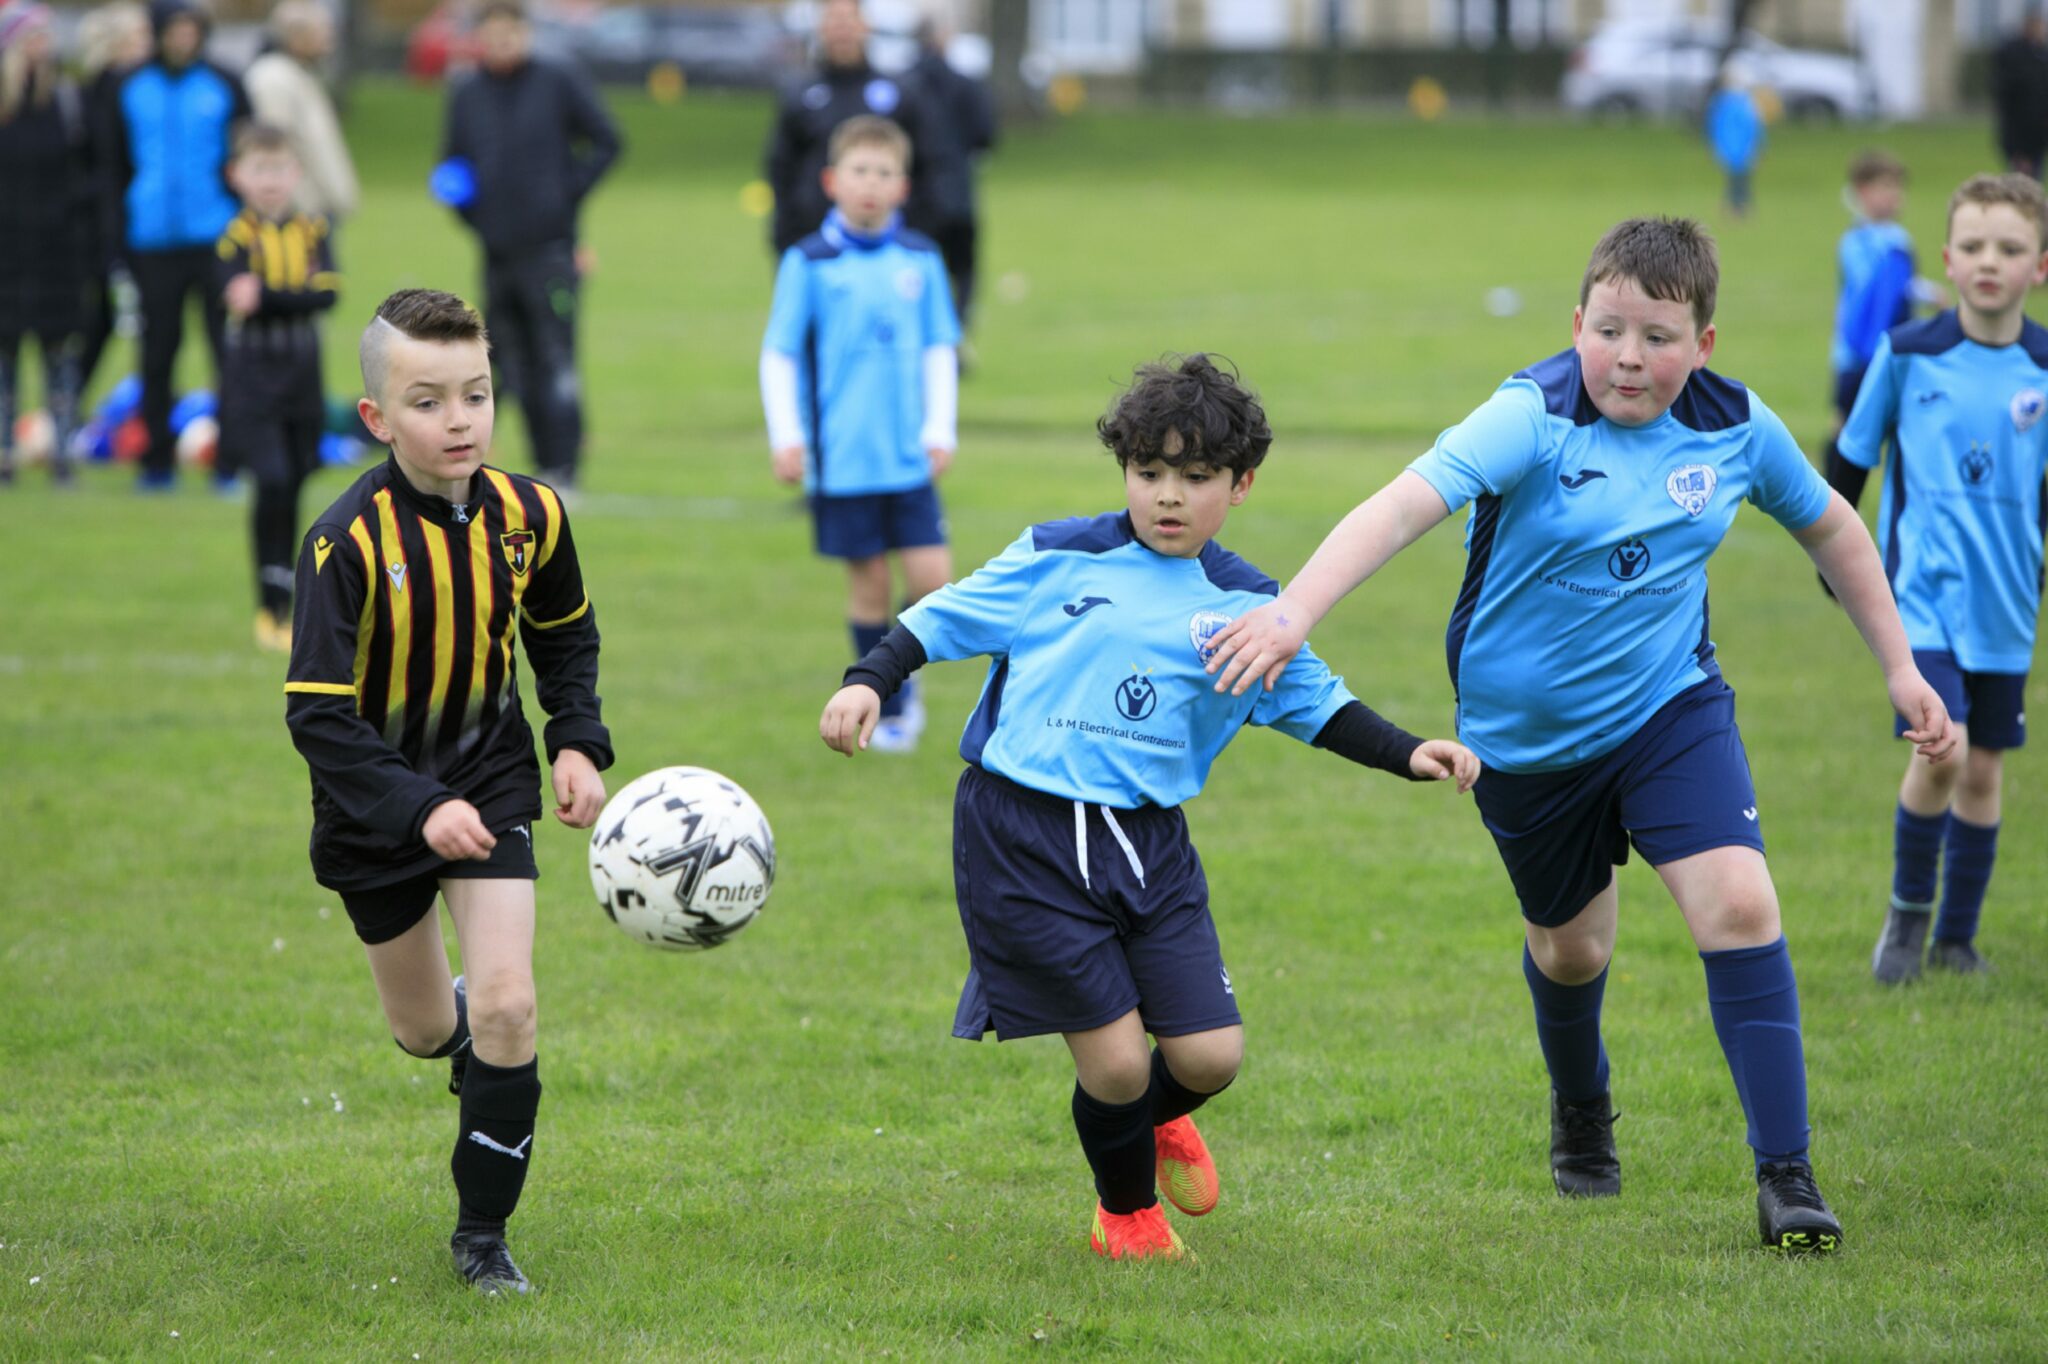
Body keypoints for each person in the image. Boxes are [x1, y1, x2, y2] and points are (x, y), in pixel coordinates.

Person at [1203, 218, 1956, 1254]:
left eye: (1656, 336)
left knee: (1738, 902)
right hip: (1524, 740)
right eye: (1608, 331)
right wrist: (1290, 613)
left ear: (1702, 343)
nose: (1629, 358)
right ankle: (1580, 1107)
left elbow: (1828, 522)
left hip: (1667, 710)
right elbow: (1396, 509)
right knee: (1571, 947)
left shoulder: (1733, 428)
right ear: (1575, 324)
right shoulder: (1531, 416)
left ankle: (1785, 1171)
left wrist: (1898, 664)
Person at [818, 353, 1480, 1261]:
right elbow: (939, 619)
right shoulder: (1059, 555)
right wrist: (869, 681)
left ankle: (1150, 1122)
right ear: (1124, 470)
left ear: (1241, 485)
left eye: (1197, 478)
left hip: (1149, 845)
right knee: (1121, 1063)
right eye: (1149, 473)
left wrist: (1410, 752)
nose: (1169, 496)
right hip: (1023, 833)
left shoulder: (1248, 606)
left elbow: (1317, 705)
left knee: (1208, 1059)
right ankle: (1124, 1216)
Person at [283, 287, 611, 1295]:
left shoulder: (530, 514)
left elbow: (562, 637)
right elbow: (318, 715)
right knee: (428, 1031)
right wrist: (414, 806)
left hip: (488, 775)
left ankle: (481, 1236)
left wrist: (576, 742)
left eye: (475, 393)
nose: (459, 417)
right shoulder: (344, 543)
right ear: (378, 418)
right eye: (427, 400)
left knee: (510, 1004)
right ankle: (460, 1030)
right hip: (375, 807)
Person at [1834, 174, 2048, 983]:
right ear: (1948, 261)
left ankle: (1957, 939)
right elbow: (1849, 465)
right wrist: (1840, 569)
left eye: (2010, 248)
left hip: (2008, 603)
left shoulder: (2044, 366)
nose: (1990, 261)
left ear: (2040, 266)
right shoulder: (1909, 352)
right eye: (1973, 247)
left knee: (1985, 767)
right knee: (1942, 753)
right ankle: (1906, 921)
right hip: (1918, 598)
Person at [761, 115, 958, 753]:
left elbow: (938, 349)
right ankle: (890, 705)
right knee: (870, 585)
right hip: (843, 460)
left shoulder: (920, 259)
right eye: (859, 171)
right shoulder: (810, 261)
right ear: (831, 182)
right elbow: (780, 355)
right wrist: (786, 435)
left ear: (902, 186)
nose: (871, 184)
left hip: (908, 459)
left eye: (884, 173)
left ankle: (900, 671)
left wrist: (940, 427)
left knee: (933, 579)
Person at [441, 0, 620, 488]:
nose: (501, 45)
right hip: (497, 255)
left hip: (552, 253)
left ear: (525, 33)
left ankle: (562, 465)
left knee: (554, 359)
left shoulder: (558, 79)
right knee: (500, 361)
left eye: (510, 34)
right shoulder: (467, 91)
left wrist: (563, 196)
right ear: (480, 38)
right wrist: (468, 210)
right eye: (492, 36)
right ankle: (510, 464)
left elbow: (607, 141)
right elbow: (453, 163)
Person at [110, 0, 248, 491]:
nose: (183, 39)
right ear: (159, 33)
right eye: (175, 30)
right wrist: (118, 235)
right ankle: (156, 461)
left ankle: (229, 462)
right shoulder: (129, 87)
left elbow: (245, 157)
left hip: (214, 239)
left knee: (224, 352)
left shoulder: (225, 84)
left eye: (192, 30)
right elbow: (113, 165)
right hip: (151, 242)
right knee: (157, 351)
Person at [215, 122, 338, 650]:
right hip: (254, 372)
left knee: (294, 481)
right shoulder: (235, 237)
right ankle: (269, 606)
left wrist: (266, 295)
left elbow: (328, 294)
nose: (270, 180)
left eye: (279, 168)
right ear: (237, 176)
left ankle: (288, 601)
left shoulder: (313, 229)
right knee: (271, 476)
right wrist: (285, 295)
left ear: (296, 173)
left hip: (302, 370)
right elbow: (232, 293)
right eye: (258, 169)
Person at [0, 0, 93, 486]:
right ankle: (4, 455)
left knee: (61, 359)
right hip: (7, 253)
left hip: (57, 251)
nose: (44, 47)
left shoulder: (65, 100)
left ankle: (63, 452)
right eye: (33, 38)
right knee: (5, 362)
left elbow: (84, 173)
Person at [763, 0, 933, 258]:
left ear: (865, 26)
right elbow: (780, 166)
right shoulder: (801, 94)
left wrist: (918, 220)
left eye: (849, 20)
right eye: (834, 20)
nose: (842, 29)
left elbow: (925, 161)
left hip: (883, 240)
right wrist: (786, 229)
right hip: (813, 235)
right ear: (821, 28)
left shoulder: (897, 92)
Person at [1824, 150, 1939, 492]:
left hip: (1896, 350)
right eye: (1884, 187)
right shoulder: (1858, 242)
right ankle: (1832, 498)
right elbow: (1871, 296)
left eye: (1897, 187)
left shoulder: (1896, 239)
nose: (1893, 196)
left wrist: (1926, 293)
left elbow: (1899, 289)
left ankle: (1906, 493)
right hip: (1858, 354)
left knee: (1903, 426)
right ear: (1861, 191)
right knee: (1846, 425)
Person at [74, 0, 150, 395]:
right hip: (113, 224)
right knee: (114, 318)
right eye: (139, 36)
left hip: (115, 220)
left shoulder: (98, 90)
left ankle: (71, 399)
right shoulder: (111, 91)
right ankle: (69, 399)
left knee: (113, 319)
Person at [905, 13, 994, 337]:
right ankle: (954, 334)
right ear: (942, 39)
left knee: (913, 268)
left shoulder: (900, 85)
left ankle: (921, 333)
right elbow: (985, 135)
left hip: (912, 197)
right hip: (957, 192)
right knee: (963, 269)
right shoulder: (965, 84)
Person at [244, 0, 357, 228]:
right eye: (322, 32)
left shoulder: (298, 74)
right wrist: (289, 203)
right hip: (298, 211)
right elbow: (274, 146)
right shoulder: (273, 79)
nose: (329, 41)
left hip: (316, 207)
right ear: (295, 37)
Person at [1992, 8, 2048, 179]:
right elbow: (2009, 103)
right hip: (2020, 135)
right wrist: (2015, 148)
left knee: (2033, 178)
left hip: (2038, 135)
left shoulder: (2040, 55)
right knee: (2021, 181)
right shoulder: (2015, 58)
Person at [1704, 77, 1763, 219]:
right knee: (1738, 179)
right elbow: (1753, 127)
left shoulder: (1723, 104)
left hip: (1733, 148)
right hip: (1738, 148)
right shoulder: (1744, 104)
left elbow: (1715, 126)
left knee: (1737, 179)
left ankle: (1735, 207)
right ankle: (1736, 208)